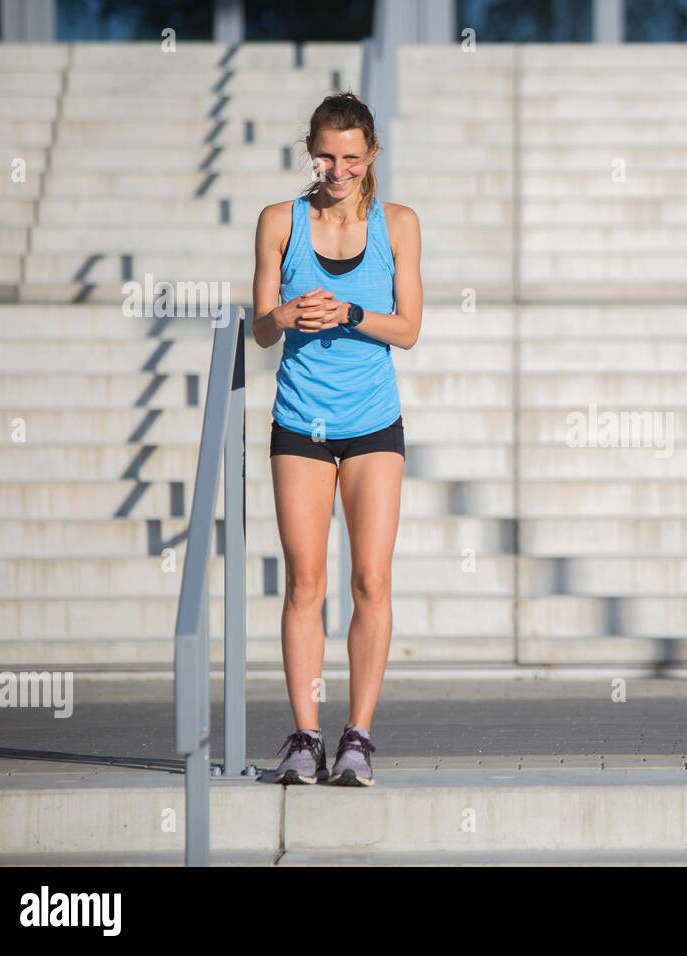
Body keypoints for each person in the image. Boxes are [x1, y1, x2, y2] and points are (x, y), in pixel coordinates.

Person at [251, 92, 422, 786]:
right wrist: (287, 312)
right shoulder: (279, 222)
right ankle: (304, 737)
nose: (338, 169)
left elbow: (408, 329)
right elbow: (261, 325)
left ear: (371, 156)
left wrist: (352, 311)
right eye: (326, 155)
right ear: (310, 152)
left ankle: (357, 736)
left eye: (352, 157)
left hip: (373, 424)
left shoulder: (399, 225)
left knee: (371, 579)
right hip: (300, 424)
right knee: (305, 583)